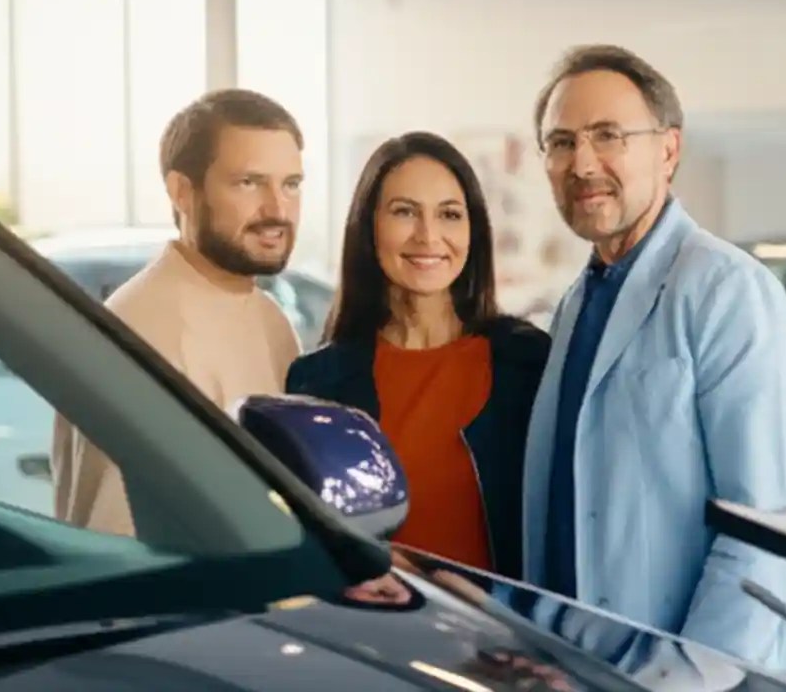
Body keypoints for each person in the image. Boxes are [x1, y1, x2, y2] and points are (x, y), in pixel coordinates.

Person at [520, 44, 786, 672]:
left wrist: (678, 680)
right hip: (580, 665)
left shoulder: (726, 290)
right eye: (561, 142)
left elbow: (763, 535)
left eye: (607, 136)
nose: (582, 162)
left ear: (668, 149)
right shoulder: (579, 301)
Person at [286, 131, 550, 580]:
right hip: (377, 638)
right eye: (405, 212)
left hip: (504, 640)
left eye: (449, 214)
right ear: (369, 228)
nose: (429, 236)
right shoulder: (317, 382)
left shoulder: (527, 363)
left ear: (473, 232)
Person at [51, 88, 305, 535]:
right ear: (182, 192)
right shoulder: (142, 333)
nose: (278, 209)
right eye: (249, 183)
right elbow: (129, 546)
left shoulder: (270, 319)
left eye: (290, 184)